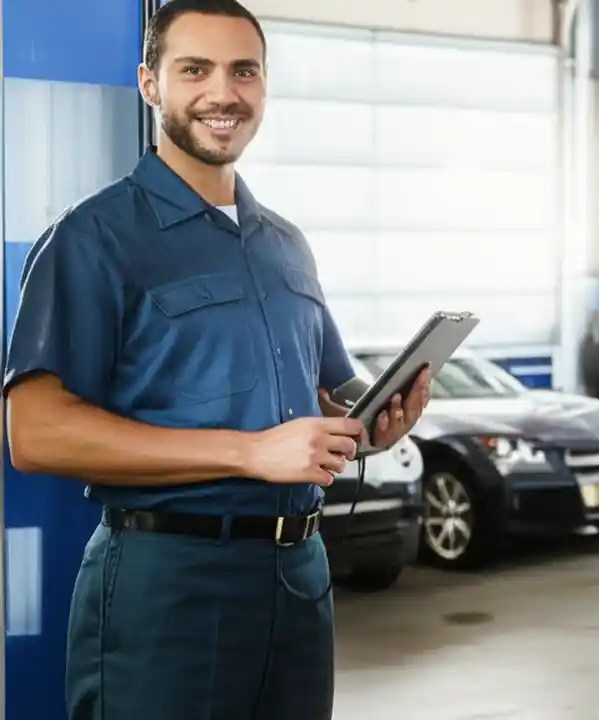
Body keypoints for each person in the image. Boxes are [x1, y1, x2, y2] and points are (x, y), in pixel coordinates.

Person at [2, 2, 428, 718]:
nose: (222, 93)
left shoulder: (285, 244)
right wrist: (250, 453)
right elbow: (33, 432)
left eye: (244, 71)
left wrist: (374, 419)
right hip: (166, 585)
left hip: (299, 578)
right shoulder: (93, 238)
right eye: (194, 70)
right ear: (150, 84)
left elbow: (331, 390)